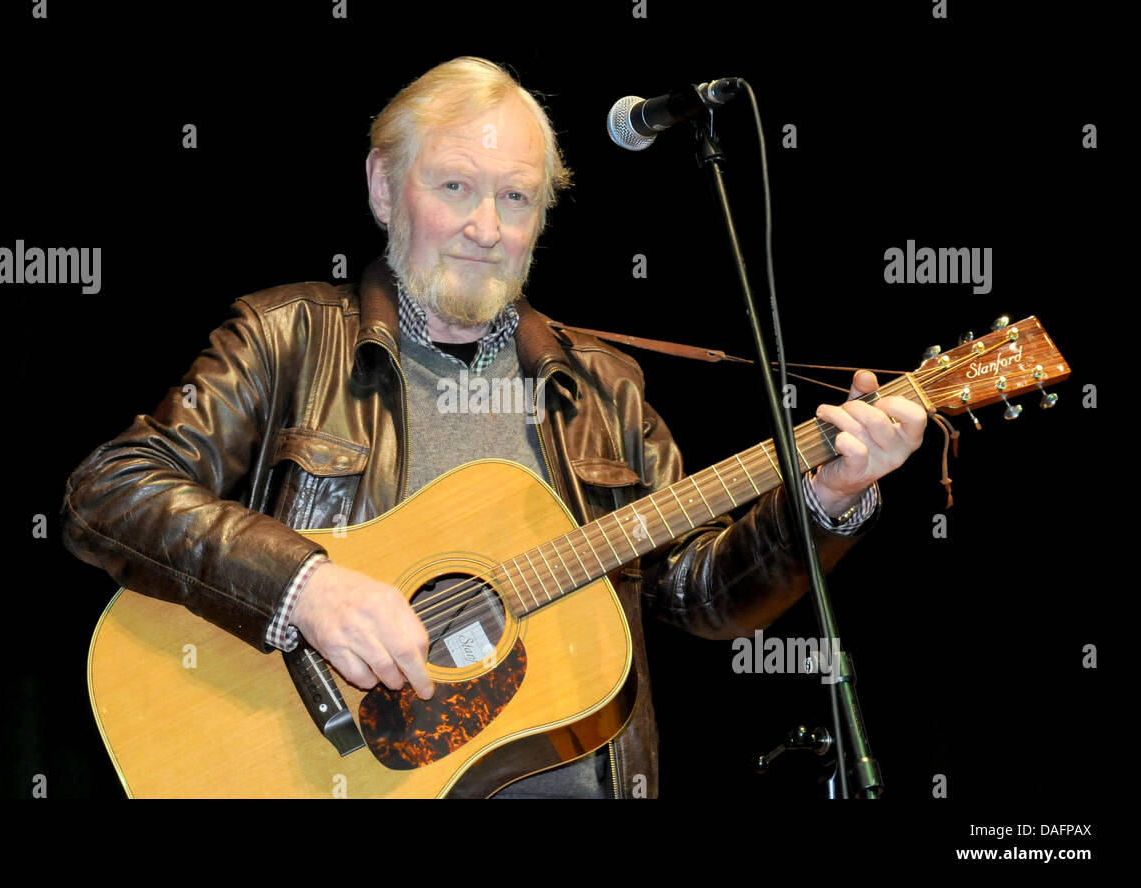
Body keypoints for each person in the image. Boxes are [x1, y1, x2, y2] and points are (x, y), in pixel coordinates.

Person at [61, 56, 927, 798]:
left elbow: (700, 592)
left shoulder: (602, 387)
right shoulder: (284, 339)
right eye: (454, 187)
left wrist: (828, 497)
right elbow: (109, 493)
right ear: (382, 187)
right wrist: (307, 589)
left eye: (516, 197)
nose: (486, 228)